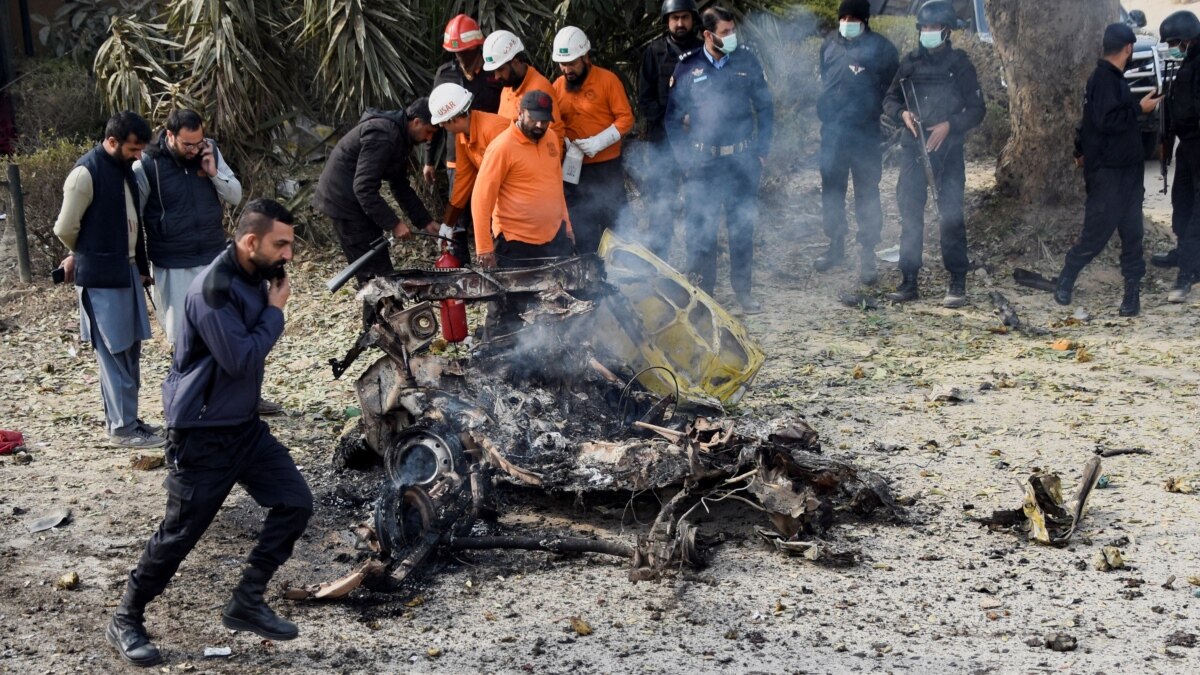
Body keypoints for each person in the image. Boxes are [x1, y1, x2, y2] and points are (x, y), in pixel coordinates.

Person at [106, 199, 313, 668]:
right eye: (281, 244)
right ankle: (126, 618)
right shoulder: (212, 291)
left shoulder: (254, 276)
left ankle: (247, 600)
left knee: (295, 502)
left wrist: (269, 303)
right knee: (179, 535)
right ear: (251, 241)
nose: (288, 255)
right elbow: (241, 359)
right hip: (201, 431)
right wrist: (276, 312)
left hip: (243, 427)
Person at [53, 111, 164, 449]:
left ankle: (126, 420)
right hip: (102, 277)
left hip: (126, 271)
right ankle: (122, 428)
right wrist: (87, 253)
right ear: (112, 141)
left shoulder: (122, 168)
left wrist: (140, 266)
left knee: (129, 350)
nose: (139, 156)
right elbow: (65, 228)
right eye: (133, 149)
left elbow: (133, 223)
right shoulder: (85, 173)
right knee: (114, 351)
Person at [665, 6, 774, 314]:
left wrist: (762, 150)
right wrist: (685, 160)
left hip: (742, 160)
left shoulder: (746, 61)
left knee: (741, 229)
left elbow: (765, 107)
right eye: (725, 32)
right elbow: (672, 119)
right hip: (703, 164)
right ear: (708, 35)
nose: (732, 37)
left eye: (733, 30)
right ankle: (704, 297)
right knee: (703, 232)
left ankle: (744, 293)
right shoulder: (688, 67)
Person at [881, 0, 985, 307]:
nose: (928, 31)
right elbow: (889, 100)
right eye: (924, 27)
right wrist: (902, 114)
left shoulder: (960, 64)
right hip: (914, 147)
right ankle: (909, 280)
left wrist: (950, 125)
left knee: (950, 214)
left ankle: (957, 281)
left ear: (947, 30)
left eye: (934, 27)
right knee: (910, 213)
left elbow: (977, 109)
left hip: (947, 149)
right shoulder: (909, 63)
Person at [1054, 23, 1158, 316]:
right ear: (1128, 48)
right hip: (1109, 175)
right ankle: (1067, 277)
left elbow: (1090, 122)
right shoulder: (1103, 79)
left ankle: (1132, 294)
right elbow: (1105, 121)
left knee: (1133, 235)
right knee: (1095, 235)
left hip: (1129, 173)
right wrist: (1140, 109)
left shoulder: (1114, 79)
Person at [135, 110, 242, 345]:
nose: (194, 150)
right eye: (187, 145)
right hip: (173, 264)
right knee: (183, 338)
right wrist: (139, 265)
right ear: (170, 136)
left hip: (213, 256)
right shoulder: (147, 164)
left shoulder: (210, 151)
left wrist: (214, 173)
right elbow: (134, 217)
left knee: (218, 333)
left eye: (198, 143)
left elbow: (235, 196)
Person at [813, 0, 898, 285]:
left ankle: (867, 253)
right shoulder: (829, 45)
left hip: (865, 135)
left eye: (853, 18)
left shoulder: (883, 49)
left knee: (867, 193)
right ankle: (835, 246)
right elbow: (825, 79)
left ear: (865, 20)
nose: (847, 23)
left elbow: (892, 90)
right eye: (844, 17)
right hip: (832, 134)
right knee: (832, 191)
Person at [312, 101, 439, 285]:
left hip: (354, 201)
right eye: (429, 132)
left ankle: (380, 304)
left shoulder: (398, 136)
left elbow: (400, 185)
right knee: (376, 278)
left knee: (379, 275)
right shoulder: (383, 135)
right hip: (344, 202)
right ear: (417, 122)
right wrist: (394, 224)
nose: (429, 139)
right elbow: (363, 188)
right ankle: (379, 304)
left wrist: (425, 222)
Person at [422, 14, 504, 261]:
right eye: (456, 54)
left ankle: (499, 259)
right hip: (461, 153)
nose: (460, 58)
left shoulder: (495, 72)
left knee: (496, 212)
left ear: (478, 47)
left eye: (465, 53)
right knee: (460, 216)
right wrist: (428, 159)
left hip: (495, 152)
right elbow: (435, 116)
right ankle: (460, 267)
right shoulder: (444, 74)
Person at [552, 26, 636, 254]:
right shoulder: (557, 86)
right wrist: (563, 143)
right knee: (581, 226)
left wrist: (600, 141)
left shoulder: (608, 80)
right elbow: (554, 124)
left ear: (585, 57)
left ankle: (621, 269)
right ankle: (590, 270)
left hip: (607, 169)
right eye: (562, 64)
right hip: (574, 171)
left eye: (571, 63)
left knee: (615, 223)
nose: (566, 69)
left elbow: (626, 119)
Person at [472, 90, 574, 270]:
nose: (540, 125)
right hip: (516, 243)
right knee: (521, 289)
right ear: (520, 113)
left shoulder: (550, 137)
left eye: (545, 120)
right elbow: (481, 198)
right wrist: (484, 247)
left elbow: (556, 184)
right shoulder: (502, 147)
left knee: (564, 287)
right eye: (533, 119)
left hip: (554, 236)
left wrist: (567, 225)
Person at [637, 0, 703, 259]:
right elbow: (645, 99)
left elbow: (716, 96)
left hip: (697, 143)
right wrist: (672, 121)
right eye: (675, 18)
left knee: (697, 202)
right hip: (662, 144)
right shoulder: (654, 52)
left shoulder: (704, 51)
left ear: (693, 19)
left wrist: (696, 120)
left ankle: (697, 261)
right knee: (661, 203)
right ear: (667, 21)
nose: (680, 23)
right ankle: (659, 261)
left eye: (685, 17)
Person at [428, 83, 510, 258]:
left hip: (517, 204)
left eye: (443, 123)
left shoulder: (494, 130)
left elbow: (509, 179)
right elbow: (463, 180)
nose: (442, 127)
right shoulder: (463, 136)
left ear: (453, 119)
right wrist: (448, 223)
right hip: (502, 205)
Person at [1160, 10, 1200, 302]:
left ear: (1187, 39)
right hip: (1187, 145)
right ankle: (1182, 251)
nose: (1172, 48)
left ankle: (1187, 273)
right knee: (1182, 200)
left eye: (1174, 42)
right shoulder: (1190, 61)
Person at [482, 29, 564, 141]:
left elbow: (555, 133)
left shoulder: (540, 88)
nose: (496, 76)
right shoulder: (507, 87)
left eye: (500, 69)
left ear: (515, 62)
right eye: (494, 71)